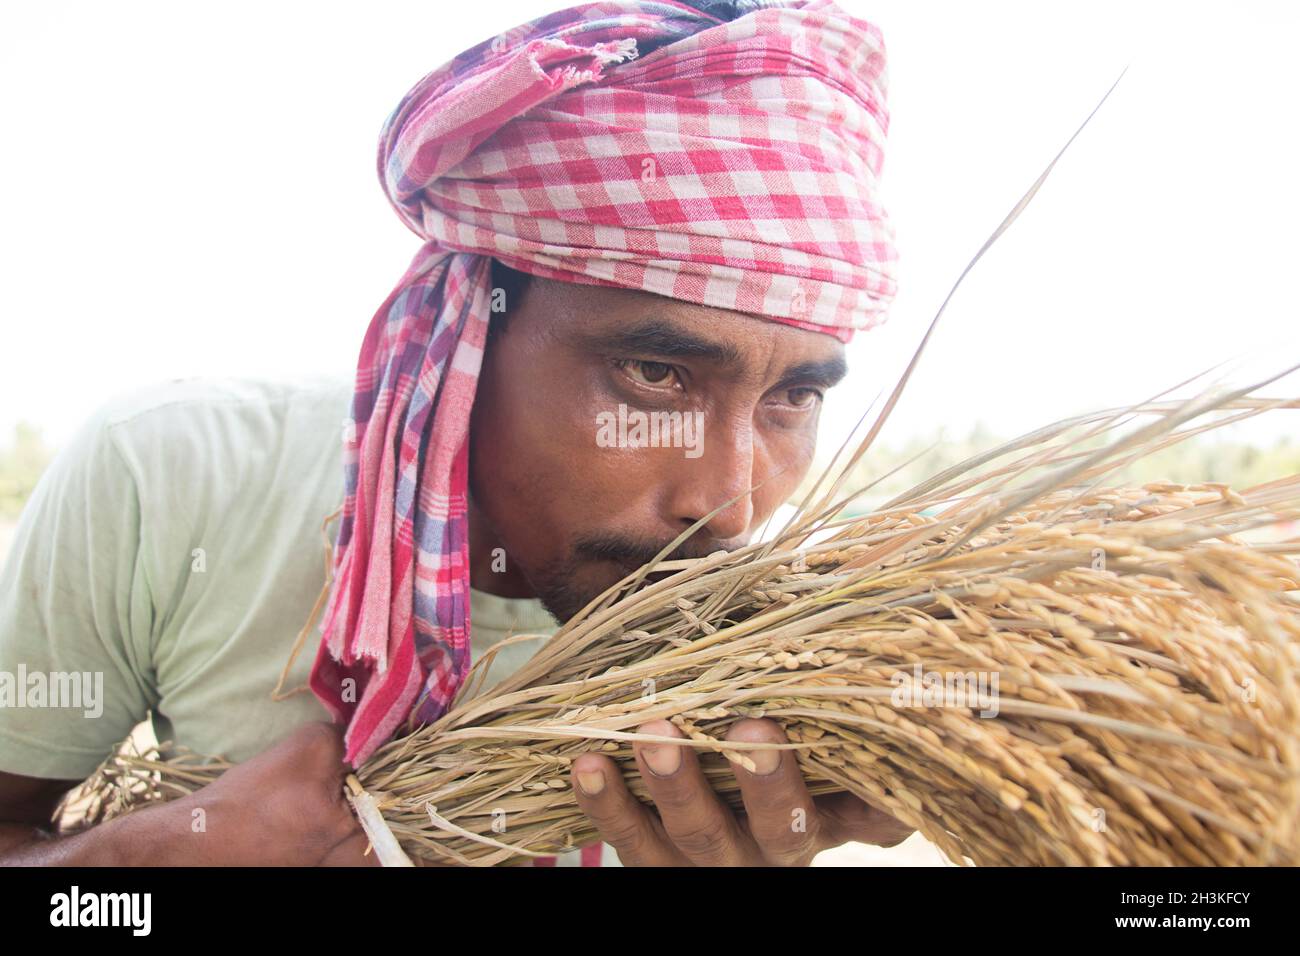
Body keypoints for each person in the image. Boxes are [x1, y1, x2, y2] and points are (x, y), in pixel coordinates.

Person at [0, 0, 914, 866]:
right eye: (654, 375)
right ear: (469, 325)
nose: (729, 505)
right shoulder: (170, 474)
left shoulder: (782, 657)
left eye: (792, 398)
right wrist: (136, 868)